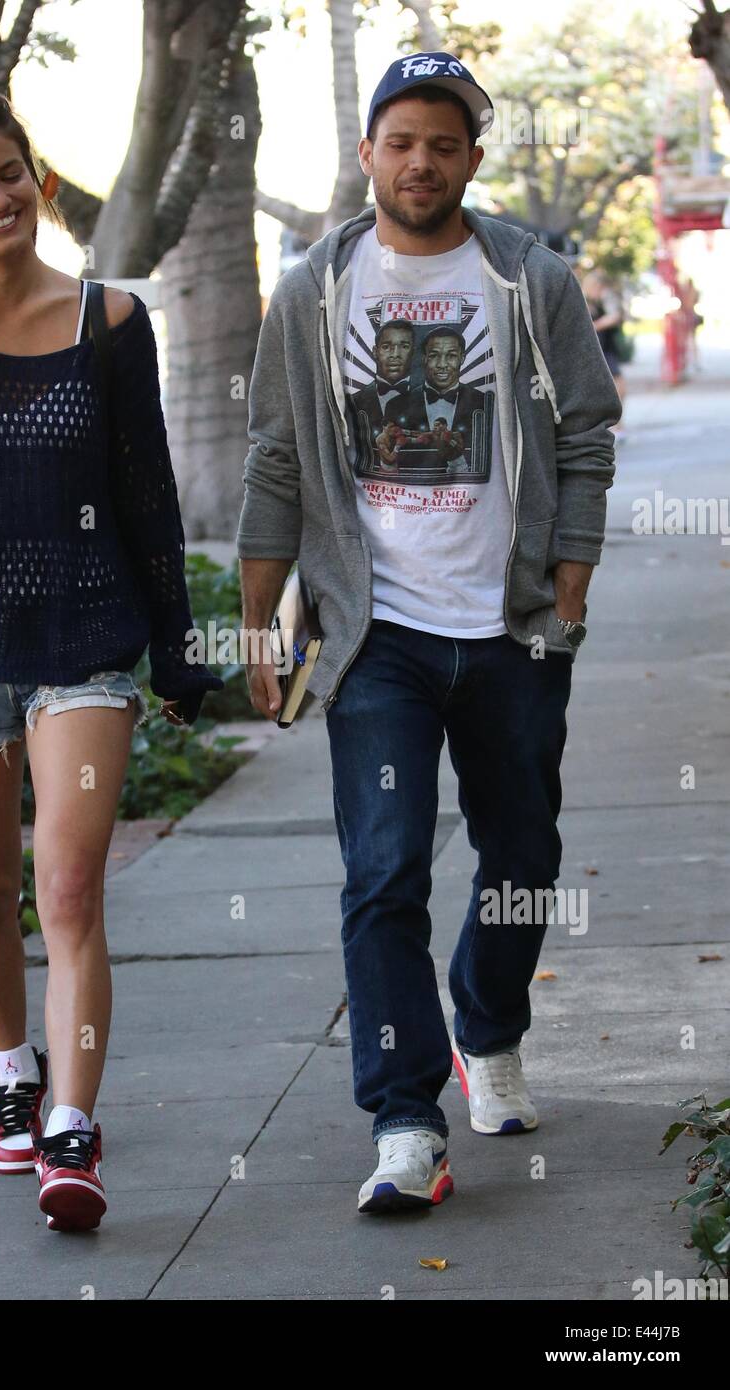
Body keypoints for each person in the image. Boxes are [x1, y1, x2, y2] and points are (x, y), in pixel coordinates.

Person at [236, 51, 620, 1214]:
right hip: (376, 635)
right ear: (367, 154)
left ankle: (487, 1024)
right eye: (400, 141)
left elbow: (588, 433)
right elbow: (275, 459)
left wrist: (569, 585)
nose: (420, 161)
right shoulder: (311, 288)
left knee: (524, 857)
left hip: (511, 626)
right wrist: (258, 627)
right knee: (384, 870)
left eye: (443, 144)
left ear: (472, 157)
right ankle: (406, 1117)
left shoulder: (527, 278)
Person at [0, 88, 222, 1233]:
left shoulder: (108, 323)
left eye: (9, 171)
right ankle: (11, 1070)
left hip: (85, 643)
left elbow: (146, 494)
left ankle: (72, 1127)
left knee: (67, 889)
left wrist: (178, 643)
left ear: (38, 177)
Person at [582, 268, 626, 442]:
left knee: (618, 387)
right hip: (597, 349)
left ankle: (615, 424)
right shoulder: (584, 299)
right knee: (615, 387)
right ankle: (611, 425)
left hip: (605, 347)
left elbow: (615, 316)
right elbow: (614, 317)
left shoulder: (602, 297)